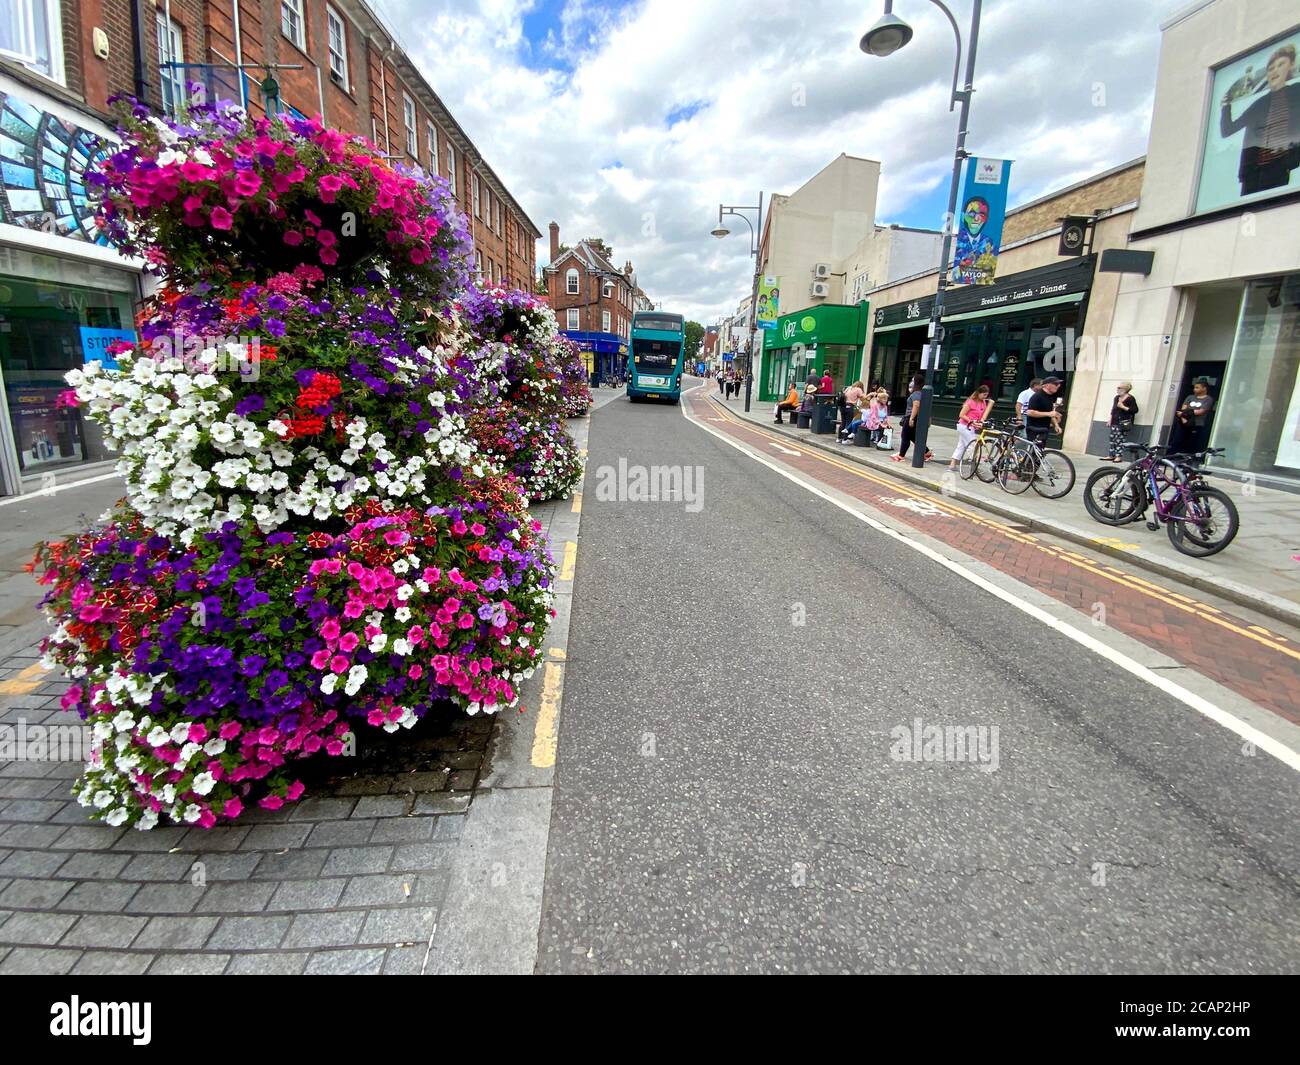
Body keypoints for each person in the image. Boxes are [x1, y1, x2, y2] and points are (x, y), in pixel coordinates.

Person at [1220, 44, 1300, 197]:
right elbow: (1227, 130)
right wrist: (1225, 106)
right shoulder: (1259, 104)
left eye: (1281, 64)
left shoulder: (1296, 91)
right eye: (1271, 68)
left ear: (1291, 66)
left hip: (1279, 167)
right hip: (1252, 173)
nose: (1275, 71)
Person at [948, 384, 993, 471]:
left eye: (987, 395)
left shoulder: (983, 402)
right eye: (984, 394)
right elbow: (961, 415)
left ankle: (952, 465)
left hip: (971, 427)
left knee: (961, 446)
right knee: (973, 445)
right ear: (979, 393)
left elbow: (982, 415)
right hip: (964, 426)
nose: (985, 397)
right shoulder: (970, 402)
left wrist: (980, 422)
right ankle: (974, 467)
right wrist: (971, 421)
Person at [892, 373, 934, 462]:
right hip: (917, 418)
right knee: (913, 437)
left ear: (916, 382)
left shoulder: (916, 393)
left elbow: (916, 405)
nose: (911, 382)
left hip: (911, 417)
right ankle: (927, 452)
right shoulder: (923, 393)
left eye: (913, 380)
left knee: (905, 436)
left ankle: (901, 456)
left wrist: (911, 418)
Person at [1169, 377, 1215, 455]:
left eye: (1197, 388)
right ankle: (1173, 455)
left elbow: (1201, 411)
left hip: (1196, 424)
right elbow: (1183, 409)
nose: (1194, 389)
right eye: (1194, 387)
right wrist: (1184, 417)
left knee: (1191, 443)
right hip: (1183, 422)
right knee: (1177, 440)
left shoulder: (1208, 399)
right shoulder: (1190, 397)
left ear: (1204, 388)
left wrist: (1187, 412)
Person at [1024, 376, 1063, 446]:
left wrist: (1056, 425)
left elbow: (1051, 413)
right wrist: (1048, 414)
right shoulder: (1037, 396)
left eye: (1059, 384)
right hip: (1034, 429)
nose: (1058, 386)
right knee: (1034, 450)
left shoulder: (1050, 396)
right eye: (1056, 384)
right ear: (1047, 385)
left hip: (1044, 428)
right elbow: (1030, 412)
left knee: (1040, 450)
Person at [1105, 382, 1140, 461]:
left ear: (1125, 389)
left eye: (1119, 388)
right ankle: (1111, 455)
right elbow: (1113, 409)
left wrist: (1123, 407)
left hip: (1123, 423)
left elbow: (1135, 410)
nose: (1117, 389)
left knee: (1120, 440)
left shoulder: (1130, 398)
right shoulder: (1116, 398)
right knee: (1112, 439)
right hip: (1114, 421)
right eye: (1117, 388)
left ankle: (1118, 456)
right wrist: (1110, 419)